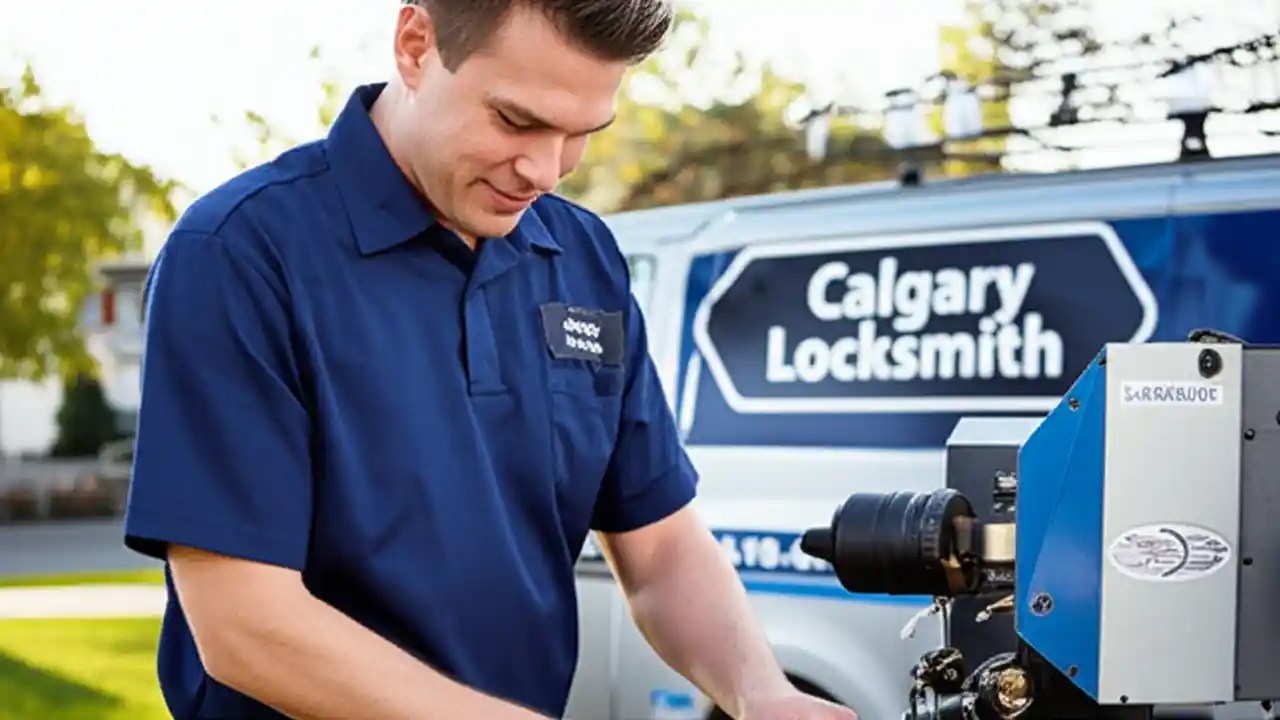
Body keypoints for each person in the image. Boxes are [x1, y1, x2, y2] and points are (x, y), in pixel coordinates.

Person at [122, 1, 858, 719]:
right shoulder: (239, 254)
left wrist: (760, 691)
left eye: (581, 133)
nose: (545, 170)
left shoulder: (584, 256)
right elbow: (246, 629)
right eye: (516, 120)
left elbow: (660, 543)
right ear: (415, 44)